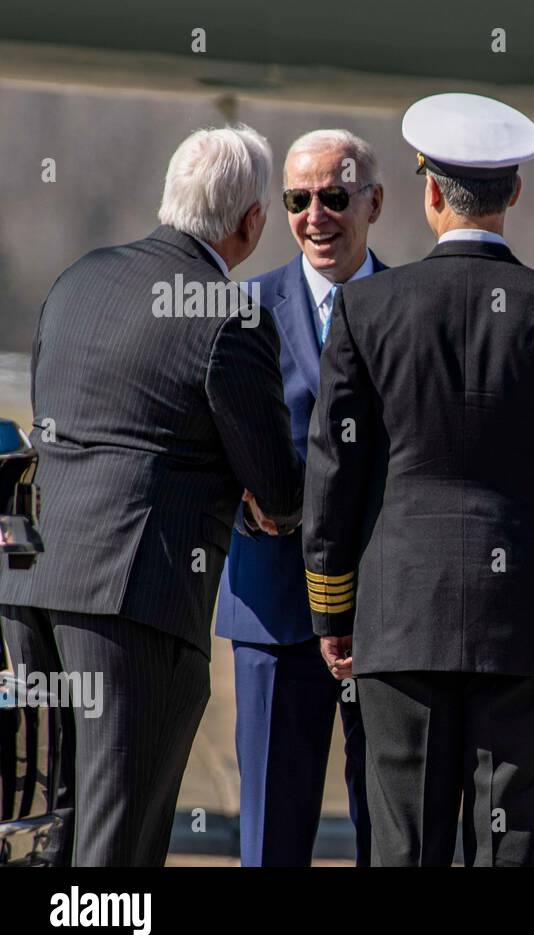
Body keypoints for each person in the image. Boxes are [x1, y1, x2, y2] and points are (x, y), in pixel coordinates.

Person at [300, 93, 534, 867]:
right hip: (523, 617)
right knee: (506, 845)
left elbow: (335, 466)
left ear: (431, 194)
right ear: (515, 194)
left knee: (404, 841)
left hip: (400, 609)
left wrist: (331, 607)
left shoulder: (365, 308)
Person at [0, 125, 302, 866]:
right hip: (136, 597)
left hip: (34, 579)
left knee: (50, 827)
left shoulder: (78, 279)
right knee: (116, 838)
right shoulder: (230, 316)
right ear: (252, 222)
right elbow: (280, 492)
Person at [215, 129, 388, 867]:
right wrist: (243, 510)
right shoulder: (240, 306)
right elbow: (201, 449)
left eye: (336, 197)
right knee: (271, 839)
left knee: (394, 833)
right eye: (297, 199)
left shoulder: (416, 308)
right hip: (274, 607)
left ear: (374, 202)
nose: (316, 216)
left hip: (389, 616)